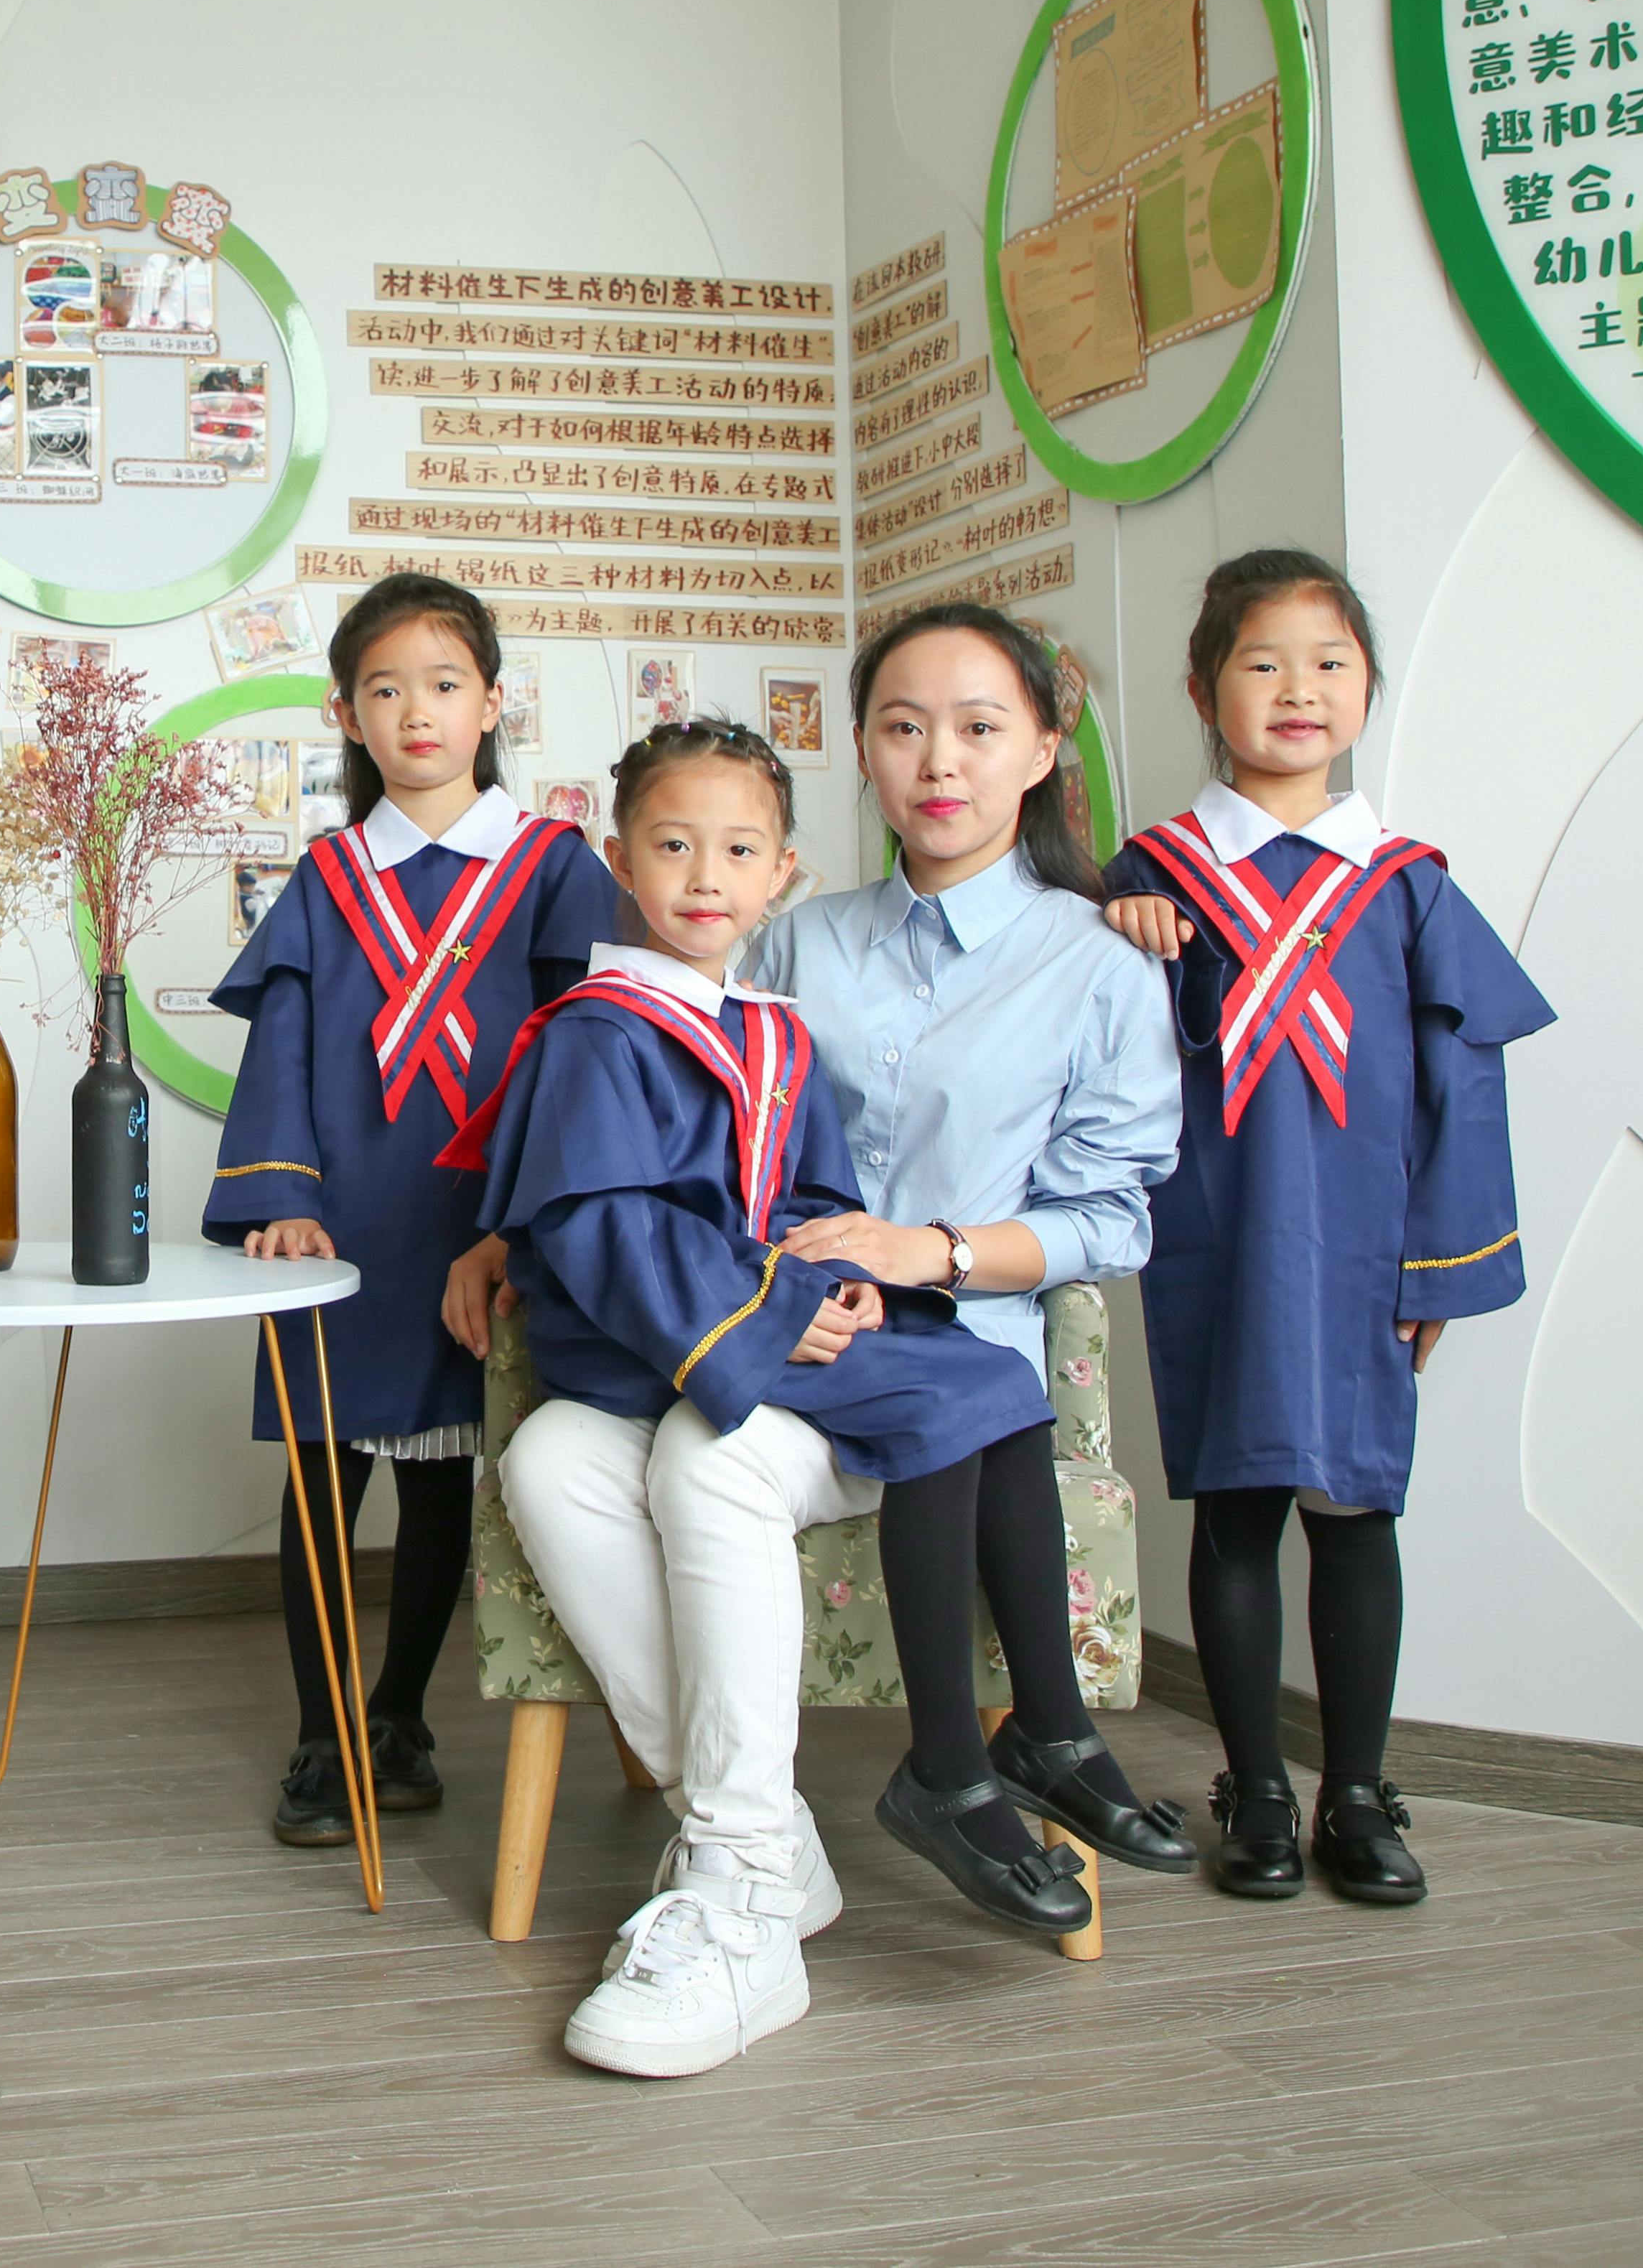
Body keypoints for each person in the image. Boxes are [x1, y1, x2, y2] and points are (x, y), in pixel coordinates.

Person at [466, 717, 1064, 2077]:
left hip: (768, 1388)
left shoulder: (778, 1037)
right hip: (696, 1357)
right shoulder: (596, 1034)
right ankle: (762, 1838)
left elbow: (817, 1204)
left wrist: (837, 1285)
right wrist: (774, 1312)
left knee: (701, 1459)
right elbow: (605, 1228)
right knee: (551, 1456)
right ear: (620, 858)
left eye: (739, 851)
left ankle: (738, 1893)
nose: (704, 876)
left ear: (783, 872)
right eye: (673, 845)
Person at [1101, 550, 1553, 1905]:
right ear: (1203, 690)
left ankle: (1356, 1789)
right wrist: (1119, 937)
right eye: (1264, 662)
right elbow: (1091, 1051)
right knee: (1238, 1508)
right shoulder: (1155, 877)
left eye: (1330, 663)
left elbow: (1465, 1082)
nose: (1299, 689)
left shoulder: (1405, 883)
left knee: (1356, 1510)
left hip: (1365, 1250)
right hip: (1221, 1240)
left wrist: (1443, 1265)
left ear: (1365, 689)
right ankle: (1255, 1787)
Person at [738, 603, 1192, 1934]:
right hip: (807, 1326)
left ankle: (1015, 1743)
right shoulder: (794, 942)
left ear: (1043, 750)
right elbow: (718, 1131)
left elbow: (1110, 1218)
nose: (941, 759)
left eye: (980, 728)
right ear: (864, 753)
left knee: (977, 1373)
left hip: (972, 1329)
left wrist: (933, 1252)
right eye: (904, 727)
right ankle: (1018, 1741)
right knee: (970, 1389)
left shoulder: (1098, 962)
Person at [203, 572, 608, 1846]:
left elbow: (586, 1052)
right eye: (384, 690)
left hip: (480, 1225)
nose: (416, 712)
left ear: (493, 703)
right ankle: (322, 1734)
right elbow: (281, 1048)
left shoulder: (553, 868)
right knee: (321, 1477)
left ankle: (400, 1716)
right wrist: (281, 1197)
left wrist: (521, 1224)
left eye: (443, 684)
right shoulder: (327, 878)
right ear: (347, 713)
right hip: (339, 1229)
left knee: (444, 1478)